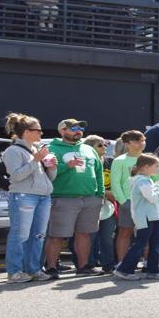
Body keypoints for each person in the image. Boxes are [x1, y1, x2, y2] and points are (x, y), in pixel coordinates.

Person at [42, 118, 105, 278]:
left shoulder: (88, 149)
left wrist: (100, 194)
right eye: (73, 128)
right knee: (57, 235)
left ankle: (83, 267)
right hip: (63, 198)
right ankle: (51, 268)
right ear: (62, 131)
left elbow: (98, 172)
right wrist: (66, 166)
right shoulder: (51, 148)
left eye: (80, 128)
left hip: (90, 198)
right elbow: (47, 173)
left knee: (84, 234)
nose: (78, 131)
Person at [0, 113, 56, 282]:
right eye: (37, 130)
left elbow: (49, 178)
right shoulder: (13, 151)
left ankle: (33, 269)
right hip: (24, 196)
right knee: (20, 234)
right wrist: (35, 161)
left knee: (38, 234)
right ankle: (14, 271)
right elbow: (16, 176)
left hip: (43, 196)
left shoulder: (35, 151)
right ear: (25, 132)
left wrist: (52, 167)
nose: (41, 133)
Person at [113, 155, 159, 281]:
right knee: (140, 244)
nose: (158, 169)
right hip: (145, 218)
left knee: (155, 244)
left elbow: (158, 198)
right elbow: (153, 197)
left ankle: (153, 270)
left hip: (154, 216)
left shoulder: (147, 179)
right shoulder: (141, 181)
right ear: (146, 167)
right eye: (156, 166)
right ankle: (124, 269)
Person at [82, 135, 118, 273]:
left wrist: (112, 195)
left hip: (109, 204)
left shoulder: (111, 162)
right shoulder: (86, 162)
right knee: (90, 235)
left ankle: (108, 264)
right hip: (91, 201)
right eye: (100, 145)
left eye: (105, 145)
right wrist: (104, 193)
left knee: (107, 236)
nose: (105, 147)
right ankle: (89, 264)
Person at [110, 130, 146, 265]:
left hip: (147, 202)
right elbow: (115, 183)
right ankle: (121, 263)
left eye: (142, 140)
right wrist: (123, 201)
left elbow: (155, 179)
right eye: (137, 141)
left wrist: (155, 198)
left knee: (146, 233)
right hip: (128, 201)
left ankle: (148, 262)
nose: (141, 143)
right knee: (125, 232)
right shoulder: (119, 161)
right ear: (127, 144)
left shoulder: (148, 158)